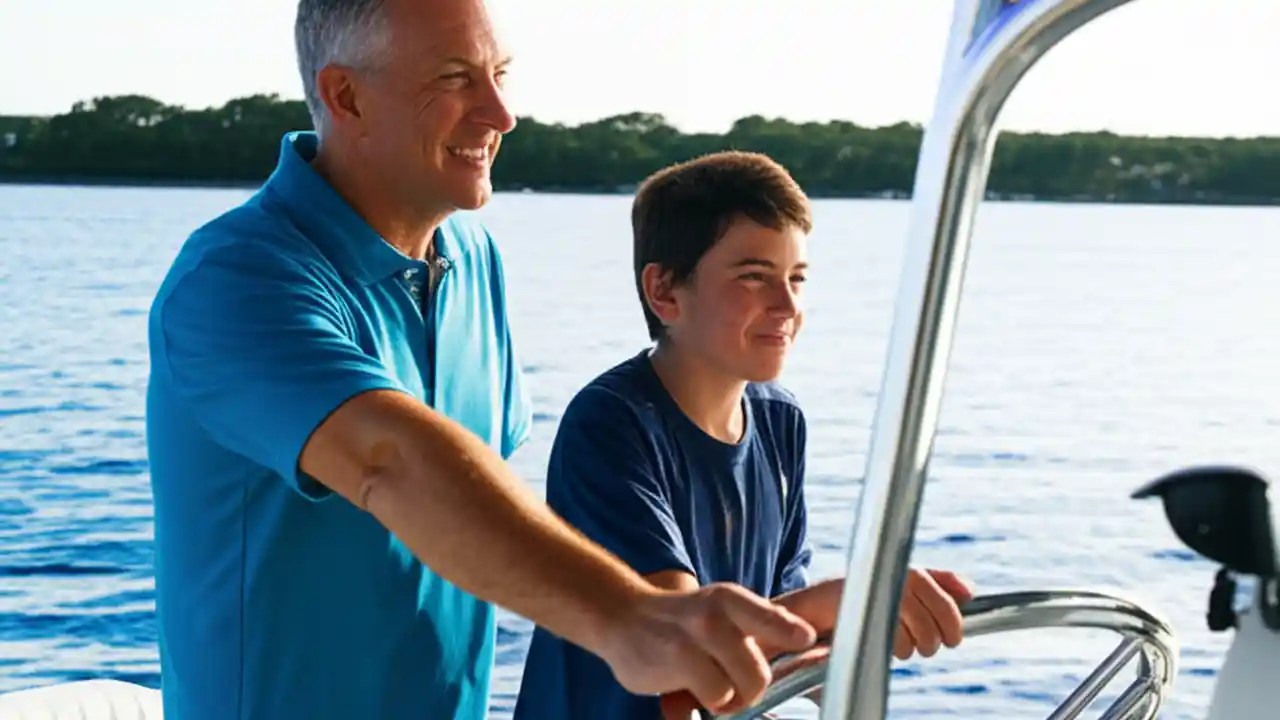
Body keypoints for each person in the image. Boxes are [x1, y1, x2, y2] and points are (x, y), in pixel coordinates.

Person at [143, 1, 818, 719]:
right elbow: (389, 460)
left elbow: (480, 499)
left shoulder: (472, 258)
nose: (501, 113)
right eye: (456, 78)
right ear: (346, 97)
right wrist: (629, 614)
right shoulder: (235, 279)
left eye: (500, 74)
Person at [513, 151, 976, 719]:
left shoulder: (781, 421)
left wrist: (857, 638)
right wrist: (851, 600)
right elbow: (681, 640)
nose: (787, 306)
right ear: (664, 292)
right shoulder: (611, 423)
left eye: (797, 279)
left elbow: (784, 632)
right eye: (754, 277)